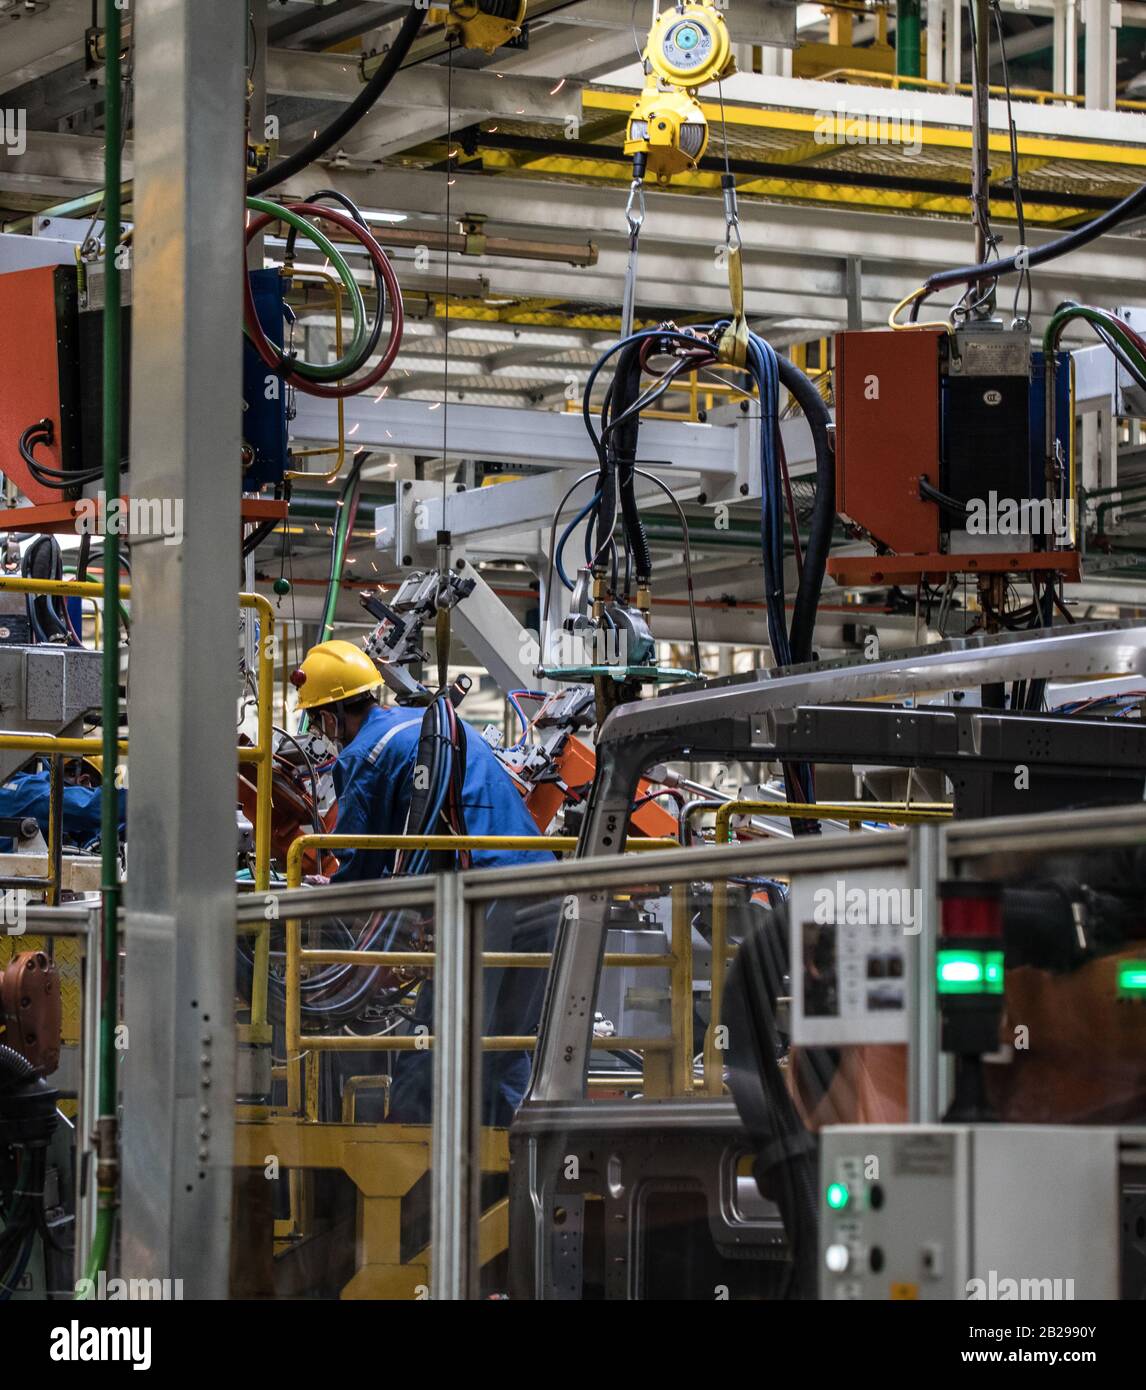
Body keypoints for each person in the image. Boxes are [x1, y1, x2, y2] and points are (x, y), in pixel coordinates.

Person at [291, 640, 555, 1125]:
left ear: (329, 717)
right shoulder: (442, 728)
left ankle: (402, 1186)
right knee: (503, 1048)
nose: (321, 735)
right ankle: (515, 1179)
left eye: (317, 722)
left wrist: (319, 906)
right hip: (545, 885)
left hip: (483, 895)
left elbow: (361, 870)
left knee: (432, 1046)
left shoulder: (364, 755)